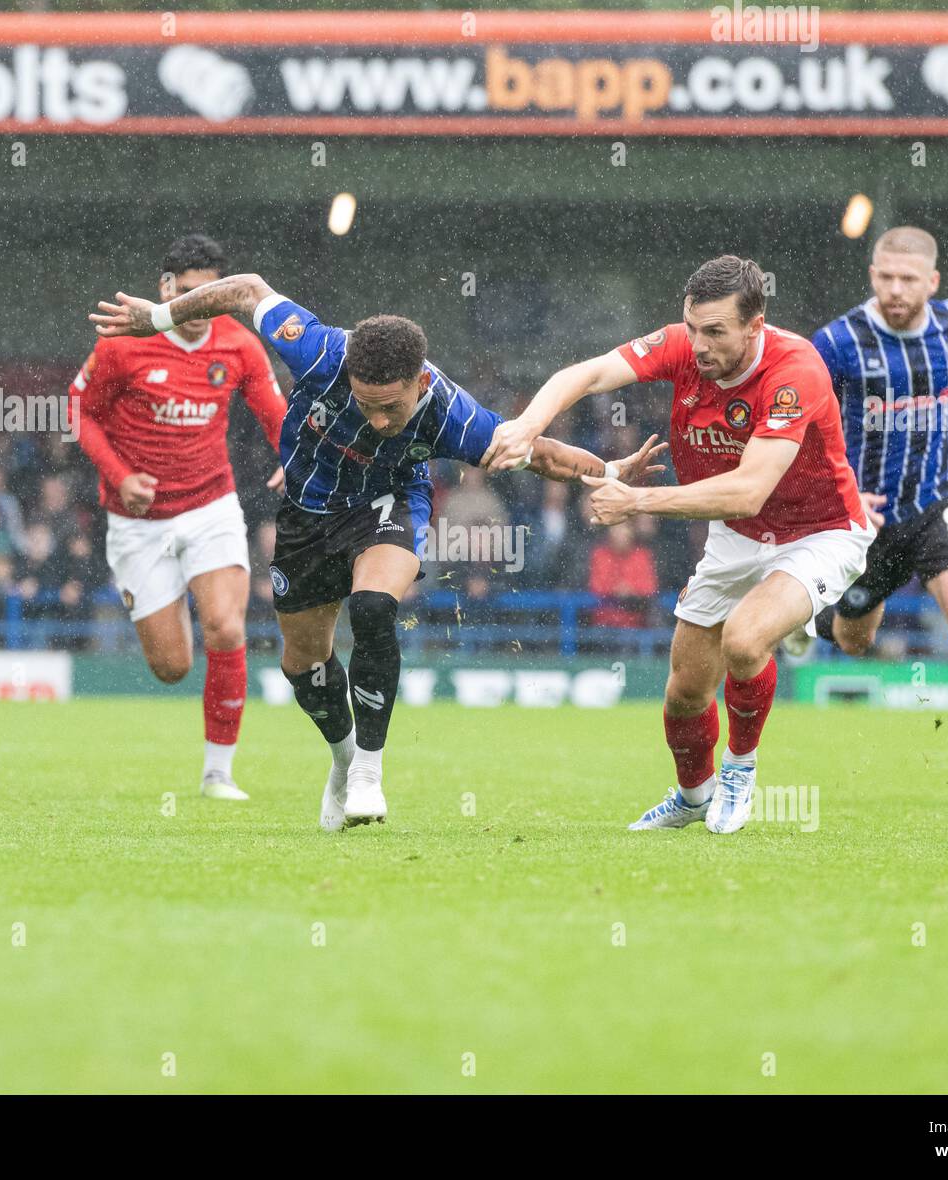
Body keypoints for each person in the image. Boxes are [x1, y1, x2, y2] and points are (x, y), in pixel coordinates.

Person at [90, 269, 664, 830]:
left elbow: (538, 452)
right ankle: (342, 760)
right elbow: (247, 287)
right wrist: (158, 318)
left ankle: (368, 767)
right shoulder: (317, 349)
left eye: (392, 406)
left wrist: (608, 469)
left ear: (418, 383)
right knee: (303, 665)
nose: (380, 418)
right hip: (306, 518)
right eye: (366, 405)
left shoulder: (449, 411)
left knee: (372, 607)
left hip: (385, 506)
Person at [485, 254, 874, 835]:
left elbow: (748, 490)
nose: (698, 346)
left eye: (715, 331)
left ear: (755, 324)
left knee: (744, 641)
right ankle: (694, 797)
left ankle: (740, 770)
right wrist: (528, 424)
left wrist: (634, 501)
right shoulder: (681, 345)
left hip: (819, 532)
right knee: (685, 692)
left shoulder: (796, 371)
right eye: (692, 328)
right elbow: (587, 374)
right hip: (736, 537)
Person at [802, 226, 948, 807]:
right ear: (872, 275)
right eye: (885, 277)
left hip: (935, 501)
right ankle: (806, 626)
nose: (895, 289)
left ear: (931, 282)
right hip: (868, 518)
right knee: (858, 639)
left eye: (908, 279)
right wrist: (840, 491)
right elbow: (799, 422)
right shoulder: (838, 343)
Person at [74, 234, 288, 801]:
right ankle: (159, 602)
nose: (199, 309)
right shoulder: (123, 345)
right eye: (189, 294)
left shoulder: (240, 345)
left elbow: (275, 414)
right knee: (171, 667)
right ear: (165, 288)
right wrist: (120, 475)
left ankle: (218, 772)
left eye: (212, 297)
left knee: (227, 625)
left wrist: (292, 457)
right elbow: (83, 415)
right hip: (136, 523)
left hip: (211, 506)